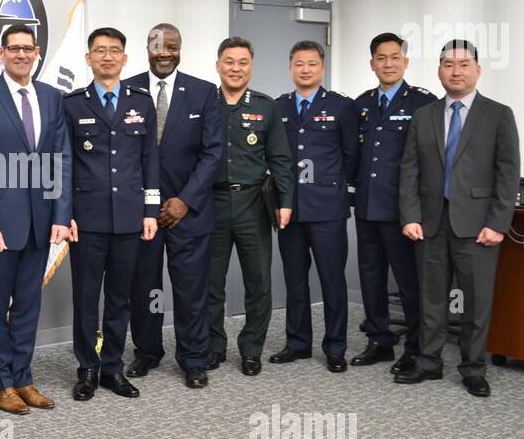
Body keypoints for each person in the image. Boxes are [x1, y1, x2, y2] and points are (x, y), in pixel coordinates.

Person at [398, 39, 519, 397]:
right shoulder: (425, 115)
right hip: (430, 222)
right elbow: (410, 171)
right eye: (448, 64)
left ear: (478, 70)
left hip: (478, 225)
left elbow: (507, 173)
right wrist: (409, 215)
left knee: (476, 301)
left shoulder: (498, 114)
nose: (456, 71)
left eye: (464, 64)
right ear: (439, 71)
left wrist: (498, 223)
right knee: (430, 298)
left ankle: (473, 368)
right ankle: (429, 362)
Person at [0, 23, 72, 414]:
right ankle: (0, 382)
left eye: (28, 48)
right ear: (1, 53)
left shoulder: (52, 97)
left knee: (28, 305)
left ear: (37, 52)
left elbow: (62, 160)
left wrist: (61, 215)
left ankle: (23, 378)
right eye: (14, 49)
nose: (21, 54)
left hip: (41, 224)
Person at [63, 28, 159, 401]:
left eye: (114, 51)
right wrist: (65, 213)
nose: (107, 57)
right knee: (86, 298)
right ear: (88, 58)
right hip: (86, 220)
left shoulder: (141, 102)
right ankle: (87, 368)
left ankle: (113, 368)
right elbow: (64, 164)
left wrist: (151, 209)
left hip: (130, 217)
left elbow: (150, 159)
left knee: (121, 298)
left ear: (124, 58)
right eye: (99, 51)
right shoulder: (72, 104)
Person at [125, 24, 222, 388]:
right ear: (146, 48)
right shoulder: (127, 88)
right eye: (157, 46)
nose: (164, 53)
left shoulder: (202, 92)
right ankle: (147, 351)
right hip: (142, 214)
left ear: (181, 49)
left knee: (190, 289)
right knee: (146, 288)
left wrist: (184, 200)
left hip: (188, 211)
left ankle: (194, 358)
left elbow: (213, 153)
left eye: (172, 46)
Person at [206, 37, 294, 377]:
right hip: (210, 204)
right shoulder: (204, 104)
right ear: (218, 65)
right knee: (210, 283)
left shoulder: (266, 106)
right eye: (229, 61)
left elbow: (281, 160)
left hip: (253, 204)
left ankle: (251, 349)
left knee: (258, 282)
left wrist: (286, 201)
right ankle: (214, 347)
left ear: (251, 66)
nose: (235, 68)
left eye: (242, 62)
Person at [272, 40, 358, 373]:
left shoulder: (341, 107)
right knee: (294, 280)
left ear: (322, 68)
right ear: (290, 67)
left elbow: (351, 155)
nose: (305, 69)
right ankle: (298, 342)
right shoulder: (278, 107)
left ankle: (335, 347)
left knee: (332, 281)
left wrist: (341, 196)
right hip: (289, 210)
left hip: (327, 210)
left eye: (311, 64)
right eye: (299, 64)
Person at [349, 33, 433, 375]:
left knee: (409, 282)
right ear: (372, 64)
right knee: (371, 278)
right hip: (368, 207)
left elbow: (430, 160)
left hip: (404, 212)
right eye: (381, 58)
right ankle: (380, 340)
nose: (388, 63)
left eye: (395, 57)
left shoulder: (423, 104)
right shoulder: (362, 104)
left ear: (406, 62)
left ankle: (415, 347)